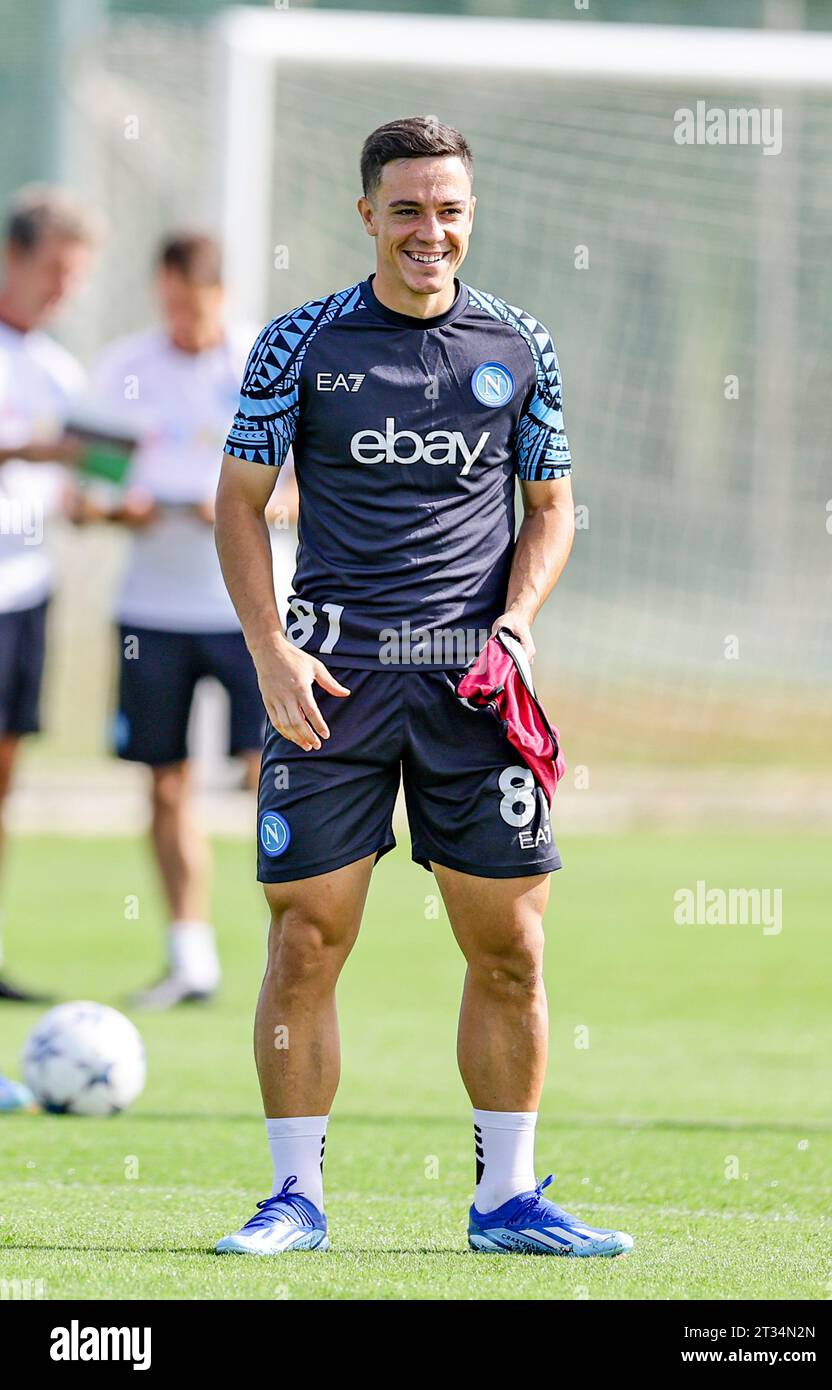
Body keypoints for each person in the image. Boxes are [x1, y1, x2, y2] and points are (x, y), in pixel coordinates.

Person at [213, 118, 633, 1257]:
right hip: (332, 681)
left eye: (447, 209)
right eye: (405, 209)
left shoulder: (519, 343)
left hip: (471, 687)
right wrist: (267, 647)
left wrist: (515, 619)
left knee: (510, 946)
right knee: (306, 936)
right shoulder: (297, 344)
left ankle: (504, 1200)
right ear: (366, 217)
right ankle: (292, 1199)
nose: (428, 231)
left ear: (470, 215)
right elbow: (238, 504)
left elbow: (549, 508)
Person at [82, 233, 287, 1010]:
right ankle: (189, 956)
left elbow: (303, 490)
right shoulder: (125, 368)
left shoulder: (260, 363)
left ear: (220, 297)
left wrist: (241, 509)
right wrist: (117, 508)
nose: (180, 320)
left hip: (250, 612)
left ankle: (291, 941)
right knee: (164, 787)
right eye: (169, 304)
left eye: (193, 306)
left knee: (268, 775)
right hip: (151, 613)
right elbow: (84, 494)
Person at [0, 186, 98, 1003]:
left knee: (5, 779)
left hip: (26, 592)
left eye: (75, 279)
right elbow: (42, 451)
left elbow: (91, 482)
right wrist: (35, 449)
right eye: (53, 273)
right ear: (15, 259)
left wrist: (123, 496)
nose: (62, 291)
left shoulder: (61, 370)